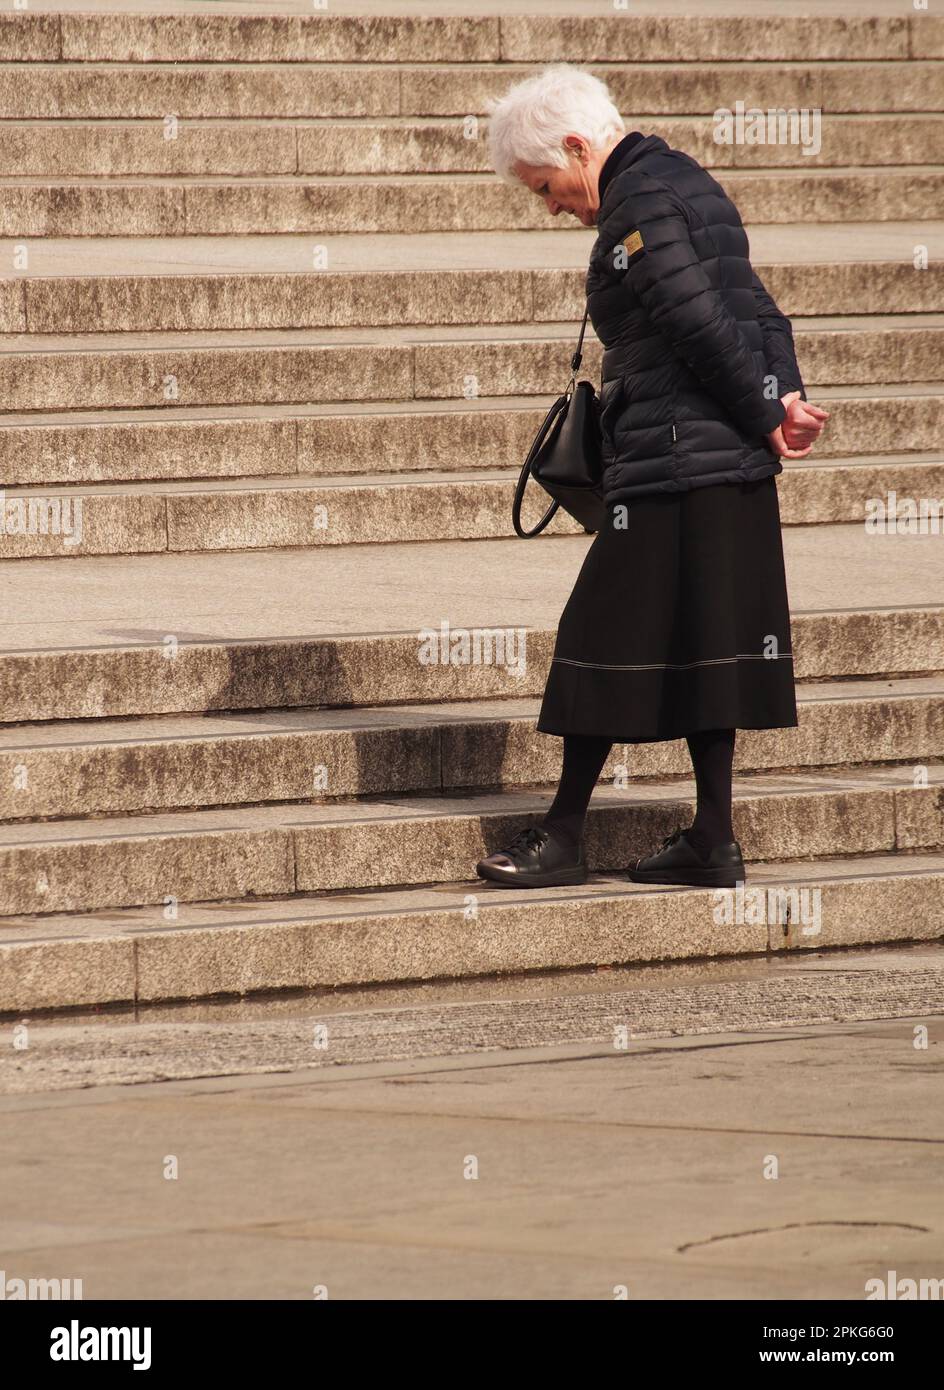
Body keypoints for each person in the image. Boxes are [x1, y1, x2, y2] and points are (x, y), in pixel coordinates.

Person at [476, 65, 828, 890]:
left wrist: (766, 414)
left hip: (677, 460)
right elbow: (762, 311)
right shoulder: (688, 182)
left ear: (575, 145)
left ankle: (562, 838)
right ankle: (712, 839)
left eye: (546, 187)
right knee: (709, 644)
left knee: (597, 636)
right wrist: (780, 397)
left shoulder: (636, 204)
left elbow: (700, 322)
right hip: (723, 463)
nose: (553, 206)